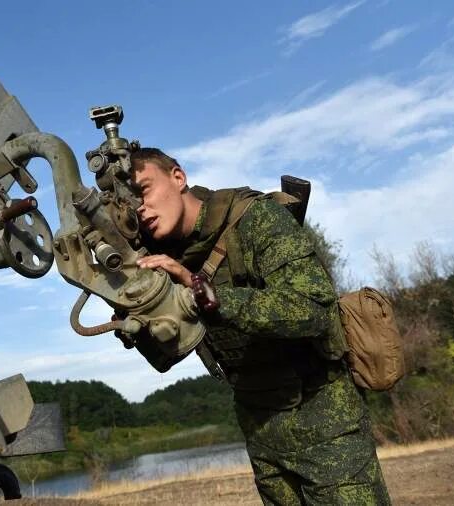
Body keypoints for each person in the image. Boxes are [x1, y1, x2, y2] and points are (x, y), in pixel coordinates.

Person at [129, 147, 391, 505]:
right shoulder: (168, 258)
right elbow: (166, 356)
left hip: (327, 424)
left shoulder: (255, 218)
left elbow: (313, 309)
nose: (140, 210)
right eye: (130, 205)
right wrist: (136, 314)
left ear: (178, 177)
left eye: (143, 190)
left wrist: (205, 294)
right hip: (260, 429)